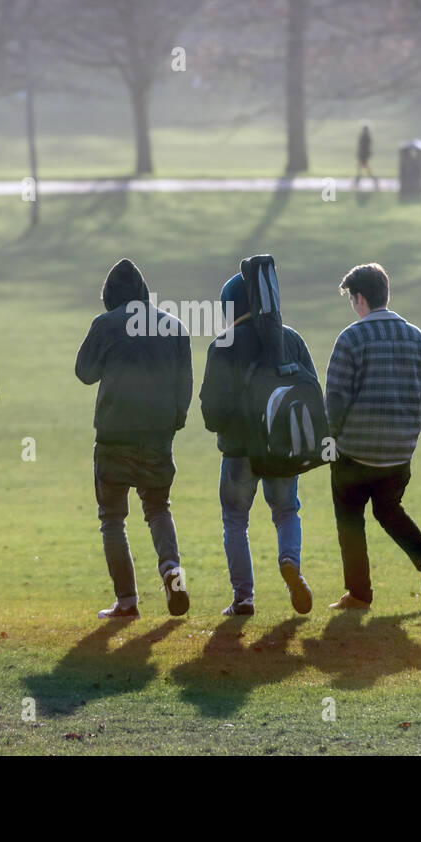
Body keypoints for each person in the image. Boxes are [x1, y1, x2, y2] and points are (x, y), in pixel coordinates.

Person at [75, 258, 193, 619]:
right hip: (157, 437)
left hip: (113, 437)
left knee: (112, 518)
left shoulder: (105, 324)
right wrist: (173, 423)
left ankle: (126, 601)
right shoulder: (174, 326)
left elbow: (84, 373)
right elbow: (184, 385)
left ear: (110, 295)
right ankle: (171, 570)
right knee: (158, 509)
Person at [324, 262, 421, 610]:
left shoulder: (350, 338)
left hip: (355, 452)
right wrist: (407, 432)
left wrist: (332, 438)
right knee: (388, 509)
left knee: (349, 517)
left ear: (360, 298)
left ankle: (359, 594)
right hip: (399, 454)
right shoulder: (416, 336)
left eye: (351, 298)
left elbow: (336, 399)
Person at [199, 269, 316, 617]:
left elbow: (210, 411)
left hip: (238, 452)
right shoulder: (290, 338)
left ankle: (244, 598)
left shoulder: (223, 344)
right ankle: (289, 561)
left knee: (235, 520)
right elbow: (310, 389)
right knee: (286, 511)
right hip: (283, 448)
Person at [355, 122, 377, 189]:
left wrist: (362, 153)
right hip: (364, 153)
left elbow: (364, 146)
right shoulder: (366, 136)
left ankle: (372, 178)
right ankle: (359, 177)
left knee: (364, 166)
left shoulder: (365, 136)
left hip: (363, 153)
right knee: (362, 166)